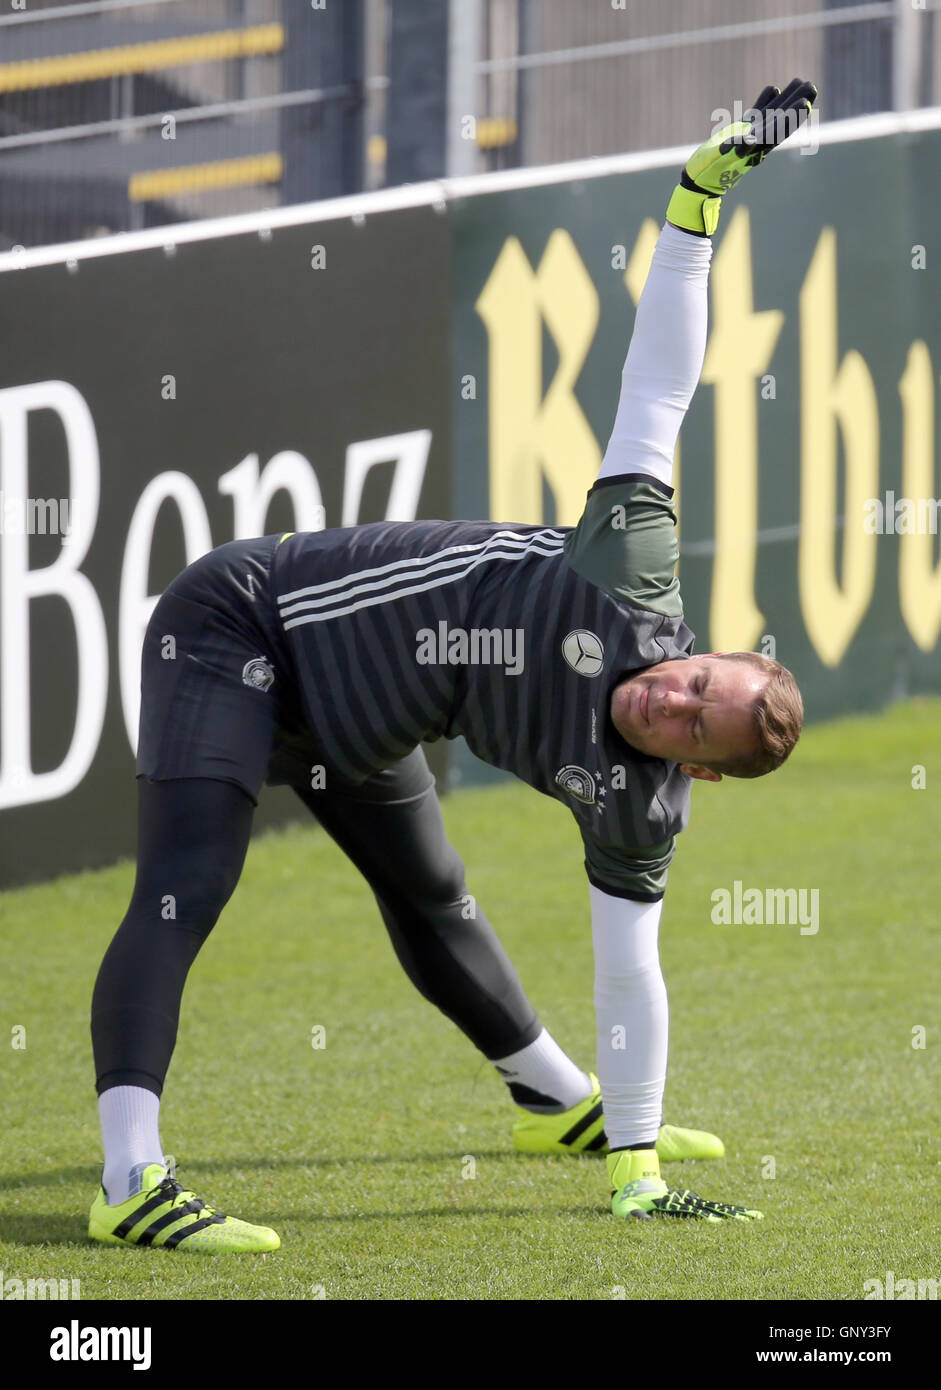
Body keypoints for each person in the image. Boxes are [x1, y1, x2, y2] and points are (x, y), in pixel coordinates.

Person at [88, 78, 815, 1251]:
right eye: (694, 681)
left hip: (357, 722)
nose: (669, 700)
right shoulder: (628, 570)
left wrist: (635, 1161)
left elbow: (630, 973)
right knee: (188, 885)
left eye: (693, 728)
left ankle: (556, 1103)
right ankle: (129, 1176)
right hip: (241, 625)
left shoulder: (639, 810)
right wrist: (695, 201)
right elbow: (659, 386)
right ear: (707, 647)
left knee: (432, 887)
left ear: (705, 775)